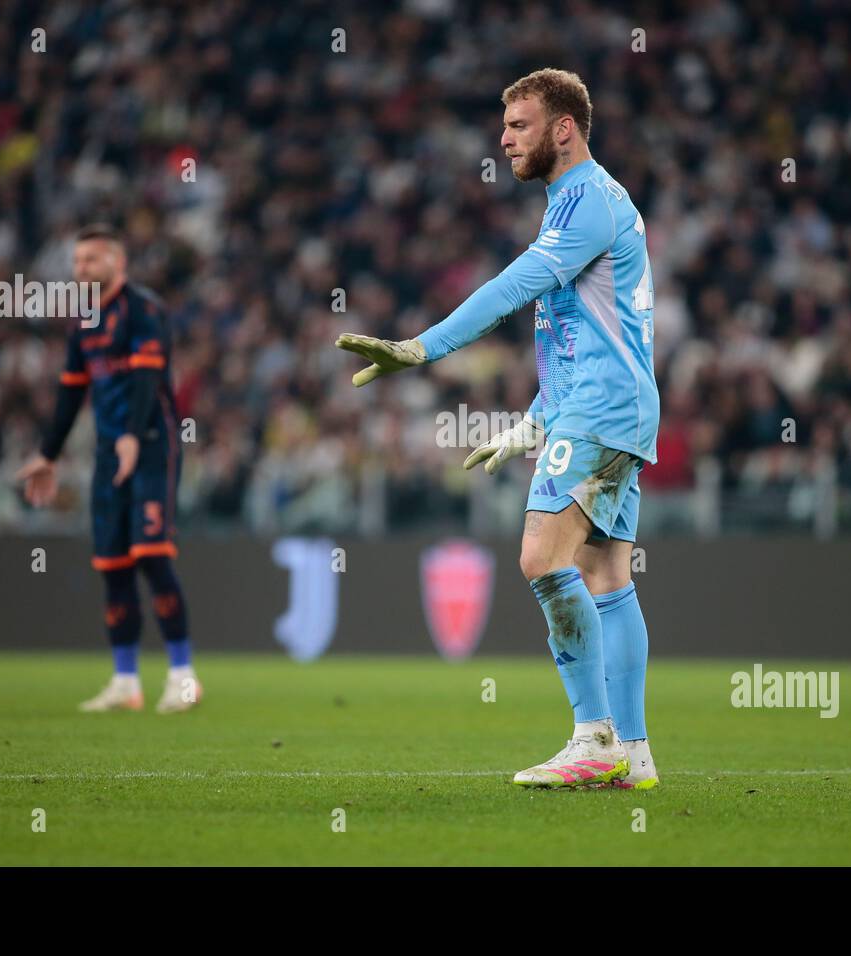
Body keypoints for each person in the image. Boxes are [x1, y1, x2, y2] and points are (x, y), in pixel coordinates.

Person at [338, 69, 660, 788]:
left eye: (519, 125)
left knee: (541, 558)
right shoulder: (585, 204)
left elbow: (516, 286)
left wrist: (423, 346)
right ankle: (633, 755)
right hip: (615, 401)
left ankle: (593, 738)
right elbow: (588, 333)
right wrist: (534, 422)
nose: (504, 138)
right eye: (505, 125)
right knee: (604, 574)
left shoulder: (585, 201)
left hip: (604, 407)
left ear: (564, 129)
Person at [16, 225, 201, 713]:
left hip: (153, 444)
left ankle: (183, 677)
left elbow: (147, 379)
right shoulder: (84, 322)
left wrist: (131, 437)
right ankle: (126, 681)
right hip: (106, 451)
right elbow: (71, 391)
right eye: (77, 262)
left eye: (91, 260)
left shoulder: (143, 311)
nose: (81, 270)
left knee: (153, 555)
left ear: (118, 263)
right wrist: (48, 453)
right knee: (113, 564)